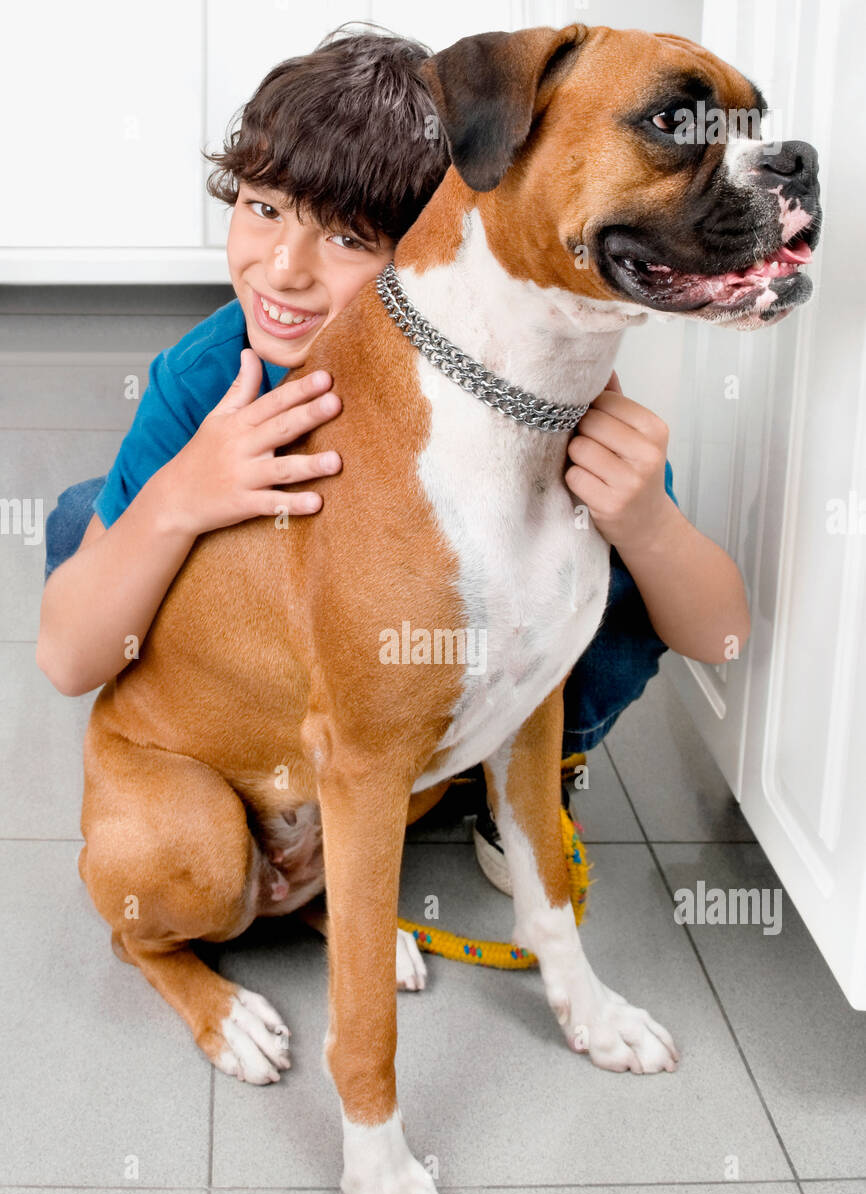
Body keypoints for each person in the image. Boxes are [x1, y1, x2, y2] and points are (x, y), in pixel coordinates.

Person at [36, 22, 750, 892]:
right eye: (263, 209)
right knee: (89, 522)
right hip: (330, 725)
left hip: (464, 709)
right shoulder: (209, 379)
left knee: (620, 550)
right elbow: (71, 661)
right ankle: (300, 762)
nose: (284, 270)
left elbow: (720, 632)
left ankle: (512, 782)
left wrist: (648, 522)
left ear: (434, 251)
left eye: (345, 239)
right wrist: (182, 495)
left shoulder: (538, 398)